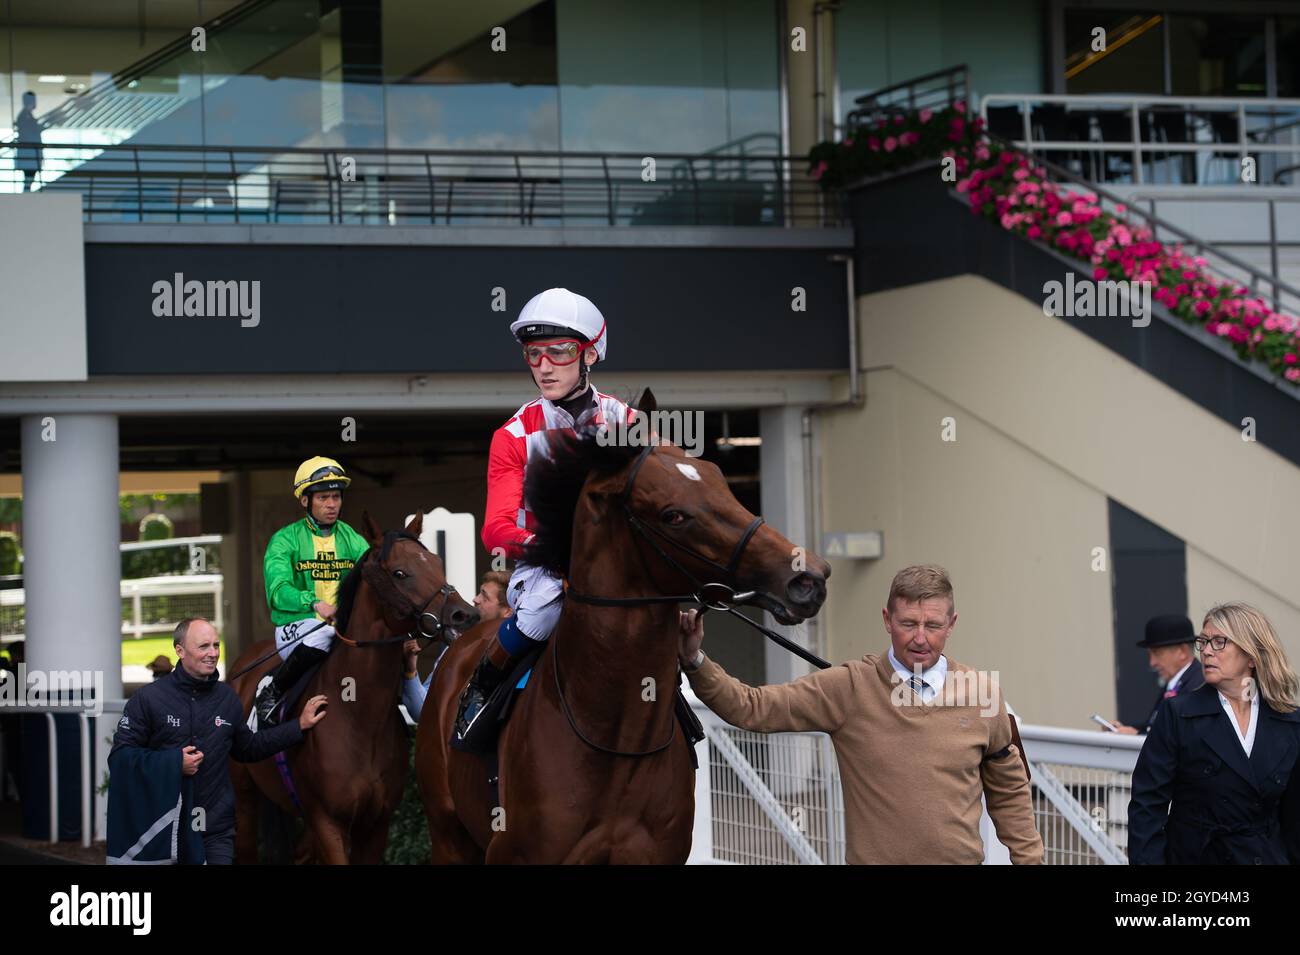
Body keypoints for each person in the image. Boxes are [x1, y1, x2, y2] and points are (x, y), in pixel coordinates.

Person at [679, 564, 1043, 864]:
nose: (920, 638)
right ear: (887, 619)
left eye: (932, 626)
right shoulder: (848, 688)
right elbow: (751, 707)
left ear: (951, 624)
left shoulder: (983, 694)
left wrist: (1030, 860)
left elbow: (1009, 789)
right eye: (908, 623)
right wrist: (695, 660)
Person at [453, 287, 636, 743]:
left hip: (621, 567)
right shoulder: (512, 435)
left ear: (590, 352)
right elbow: (496, 530)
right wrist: (555, 550)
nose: (544, 366)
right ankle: (481, 690)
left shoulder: (628, 422)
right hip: (546, 573)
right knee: (537, 616)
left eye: (559, 351)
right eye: (534, 355)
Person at [109, 618, 327, 864]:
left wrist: (298, 726)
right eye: (204, 646)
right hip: (164, 830)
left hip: (215, 830)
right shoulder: (147, 699)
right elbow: (120, 759)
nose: (212, 653)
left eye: (216, 645)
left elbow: (248, 748)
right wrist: (173, 763)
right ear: (180, 651)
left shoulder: (228, 698)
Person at [1128, 602, 1300, 864]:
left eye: (1219, 642)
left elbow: (1294, 817)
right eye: (1204, 642)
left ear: (1252, 656)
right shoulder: (1178, 715)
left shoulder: (1289, 721)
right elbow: (1147, 805)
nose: (1207, 651)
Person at [253, 456, 369, 725]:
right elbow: (278, 591)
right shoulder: (284, 540)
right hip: (296, 627)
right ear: (305, 500)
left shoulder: (354, 540)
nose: (332, 504)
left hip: (343, 629)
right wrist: (316, 603)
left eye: (336, 497)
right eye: (323, 498)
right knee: (324, 635)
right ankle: (273, 690)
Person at [402, 570, 512, 721]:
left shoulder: (518, 656)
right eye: (479, 593)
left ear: (507, 611)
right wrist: (410, 670)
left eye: (484, 597)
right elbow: (422, 711)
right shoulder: (456, 645)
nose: (475, 599)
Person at [1111, 614, 1203, 735]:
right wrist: (1127, 730)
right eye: (1150, 654)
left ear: (1182, 652)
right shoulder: (1177, 682)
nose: (1152, 663)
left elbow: (1182, 736)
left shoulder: (1199, 686)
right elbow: (1155, 725)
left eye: (1157, 653)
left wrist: (1137, 735)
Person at [13, 92, 45, 193]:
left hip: (30, 155)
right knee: (29, 178)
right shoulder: (24, 116)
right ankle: (26, 195)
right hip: (29, 155)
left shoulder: (26, 115)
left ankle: (27, 194)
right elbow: (27, 133)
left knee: (29, 179)